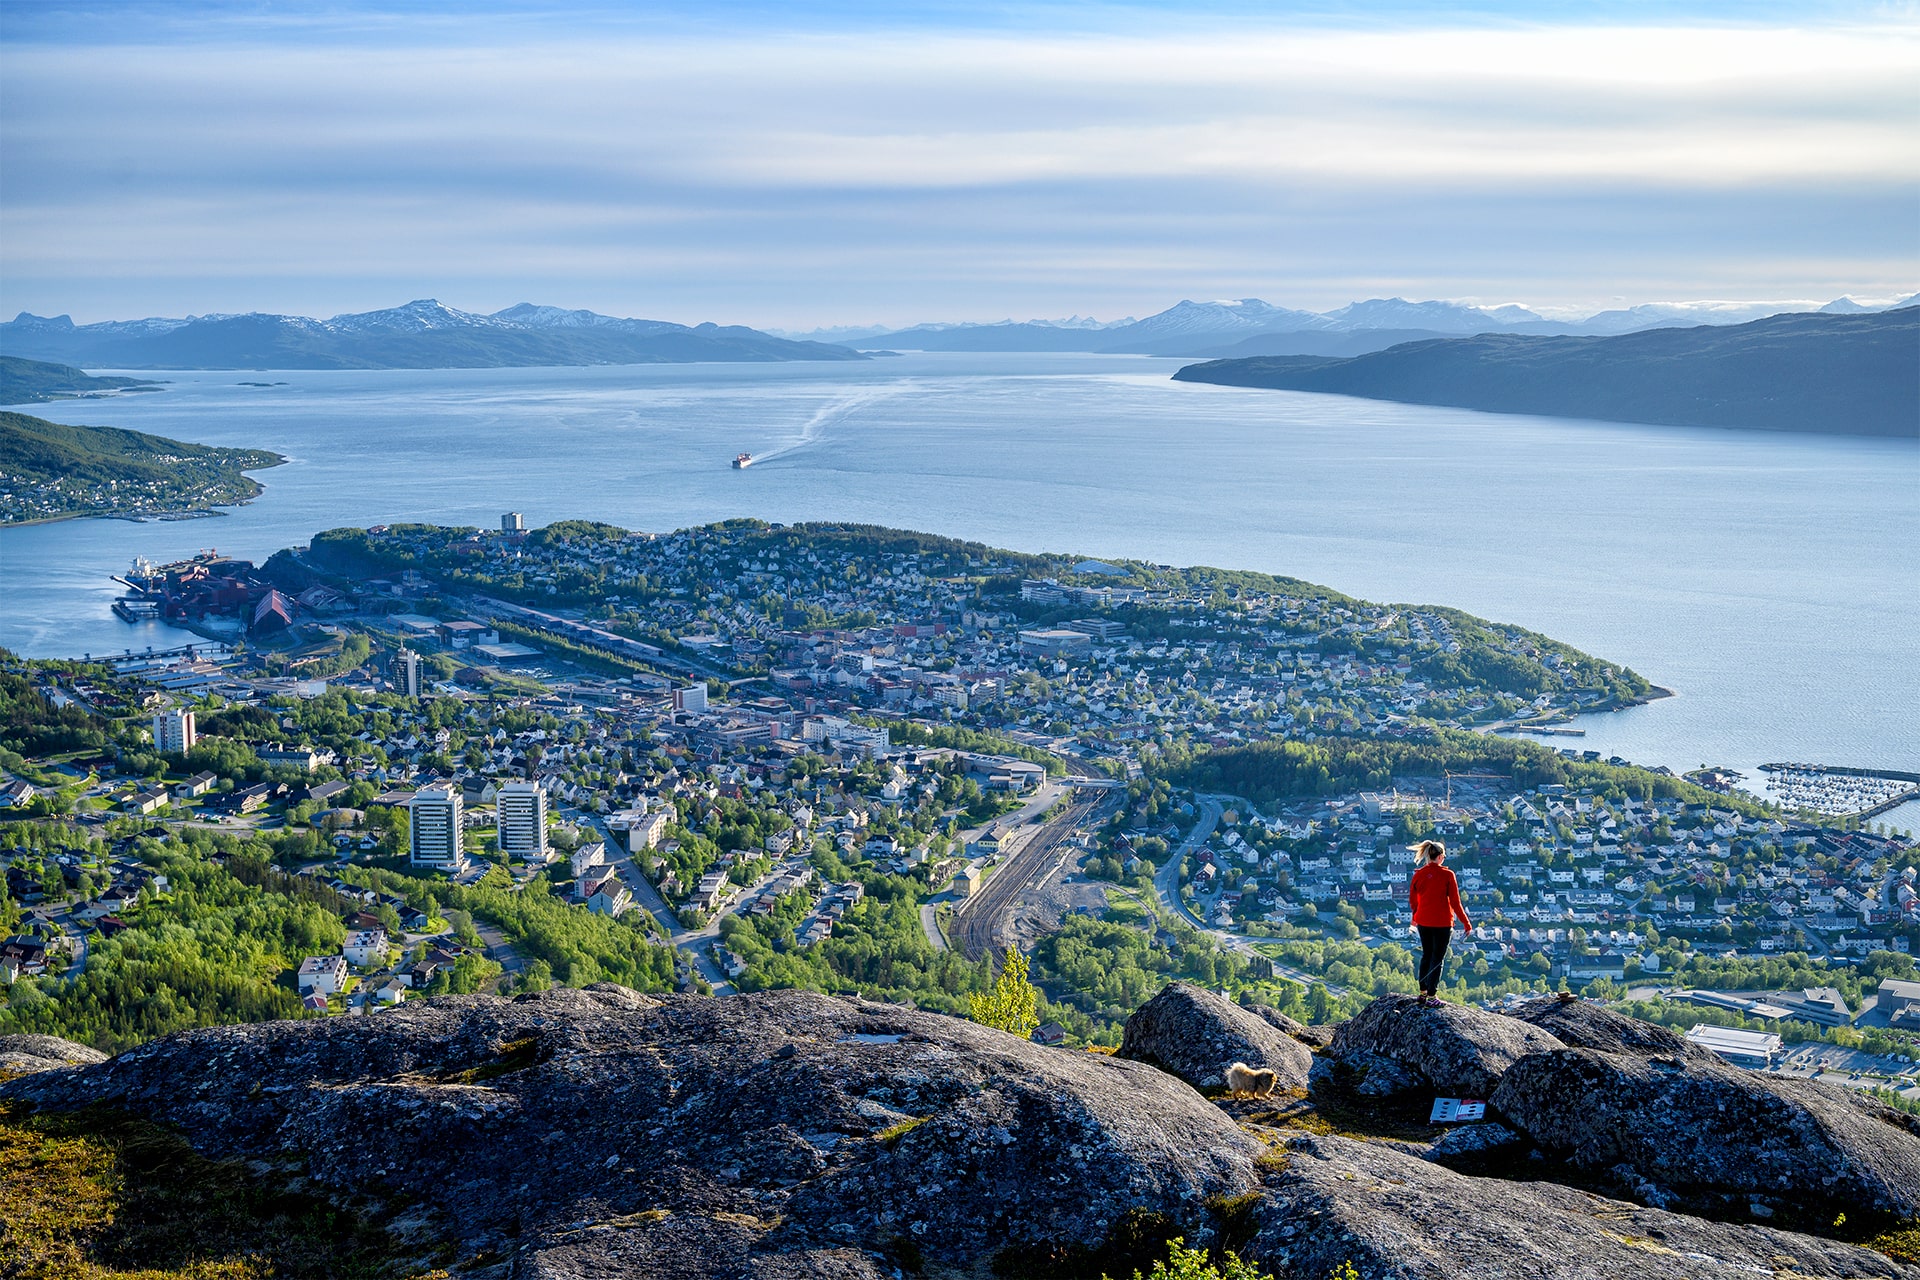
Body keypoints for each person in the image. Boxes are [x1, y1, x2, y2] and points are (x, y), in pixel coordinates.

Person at [1407, 839, 1472, 1006]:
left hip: (1423, 922)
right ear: (1441, 857)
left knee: (1426, 955)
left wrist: (1417, 917)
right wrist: (1466, 923)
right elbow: (1456, 903)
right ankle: (1432, 996)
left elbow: (1413, 902)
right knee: (1437, 958)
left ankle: (1422, 993)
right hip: (1443, 923)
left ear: (1428, 855)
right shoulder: (1448, 875)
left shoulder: (1418, 875)